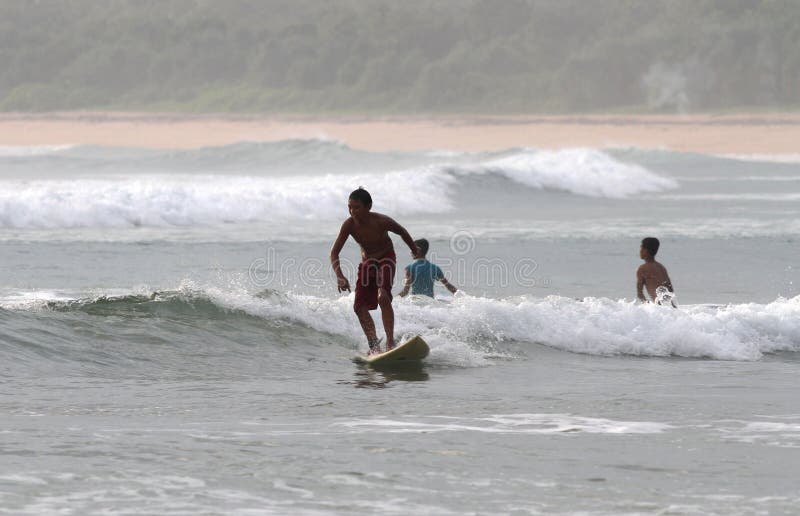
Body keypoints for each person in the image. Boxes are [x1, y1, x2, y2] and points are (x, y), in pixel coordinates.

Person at [330, 188, 419, 355]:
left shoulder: (382, 221)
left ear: (368, 206)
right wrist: (340, 276)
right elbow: (334, 252)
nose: (352, 211)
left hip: (386, 258)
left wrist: (413, 249)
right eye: (349, 207)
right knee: (358, 306)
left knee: (383, 296)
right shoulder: (349, 225)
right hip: (367, 263)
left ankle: (390, 342)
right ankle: (374, 344)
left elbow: (402, 232)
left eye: (356, 207)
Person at [636, 237, 676, 307]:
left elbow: (640, 294)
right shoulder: (662, 268)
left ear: (646, 250)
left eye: (641, 248)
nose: (640, 251)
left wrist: (649, 308)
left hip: (659, 308)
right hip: (669, 307)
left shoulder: (642, 269)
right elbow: (670, 290)